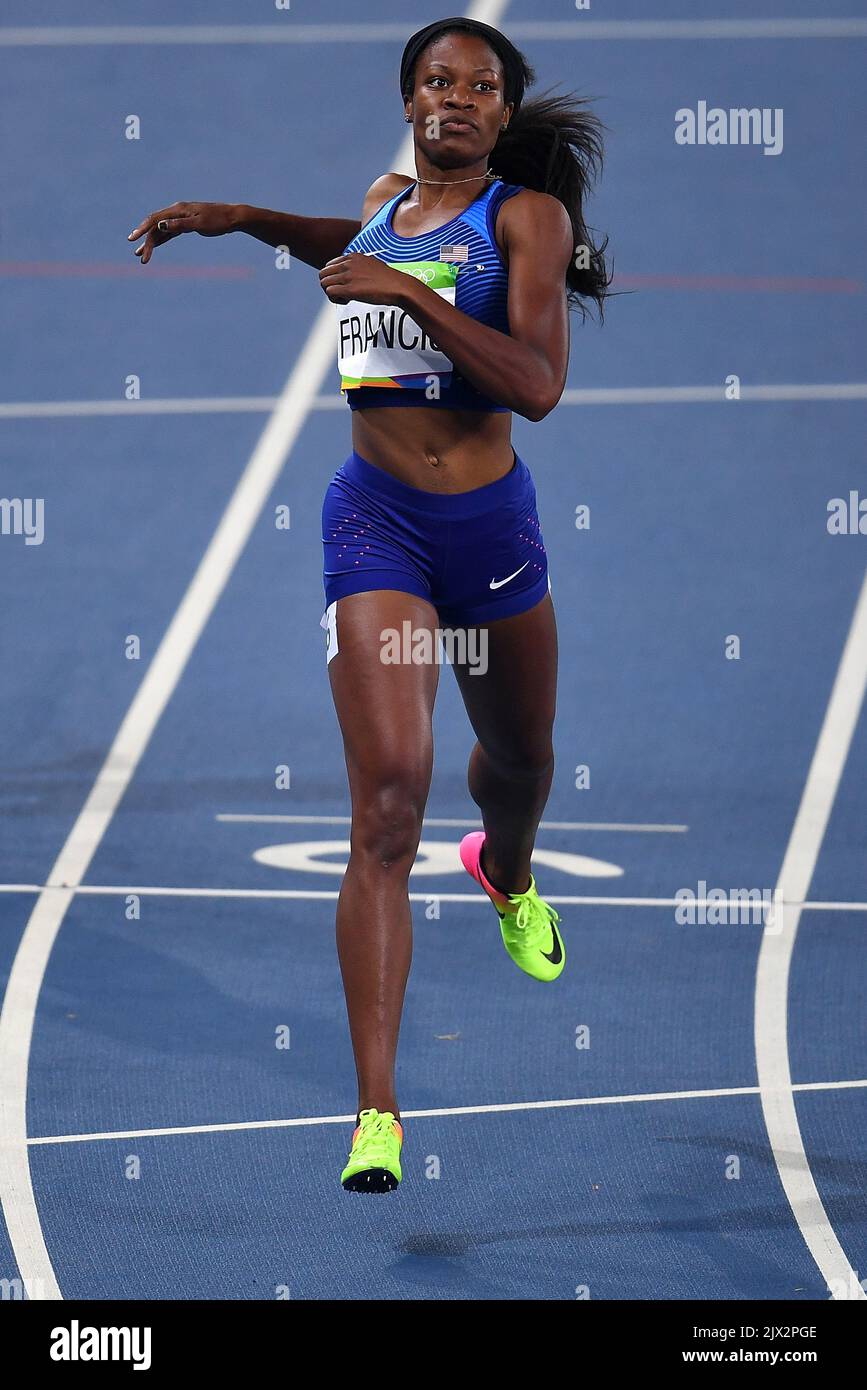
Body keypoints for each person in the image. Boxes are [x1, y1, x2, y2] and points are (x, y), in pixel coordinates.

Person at [128, 15, 609, 1194]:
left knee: (521, 760)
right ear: (409, 99)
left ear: (502, 114)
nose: (456, 97)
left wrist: (409, 294)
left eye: (480, 86)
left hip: (488, 538)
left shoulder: (525, 222)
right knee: (389, 801)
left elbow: (538, 384)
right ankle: (378, 1112)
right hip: (377, 528)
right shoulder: (385, 204)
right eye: (437, 81)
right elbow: (346, 247)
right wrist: (242, 218)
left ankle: (508, 864)